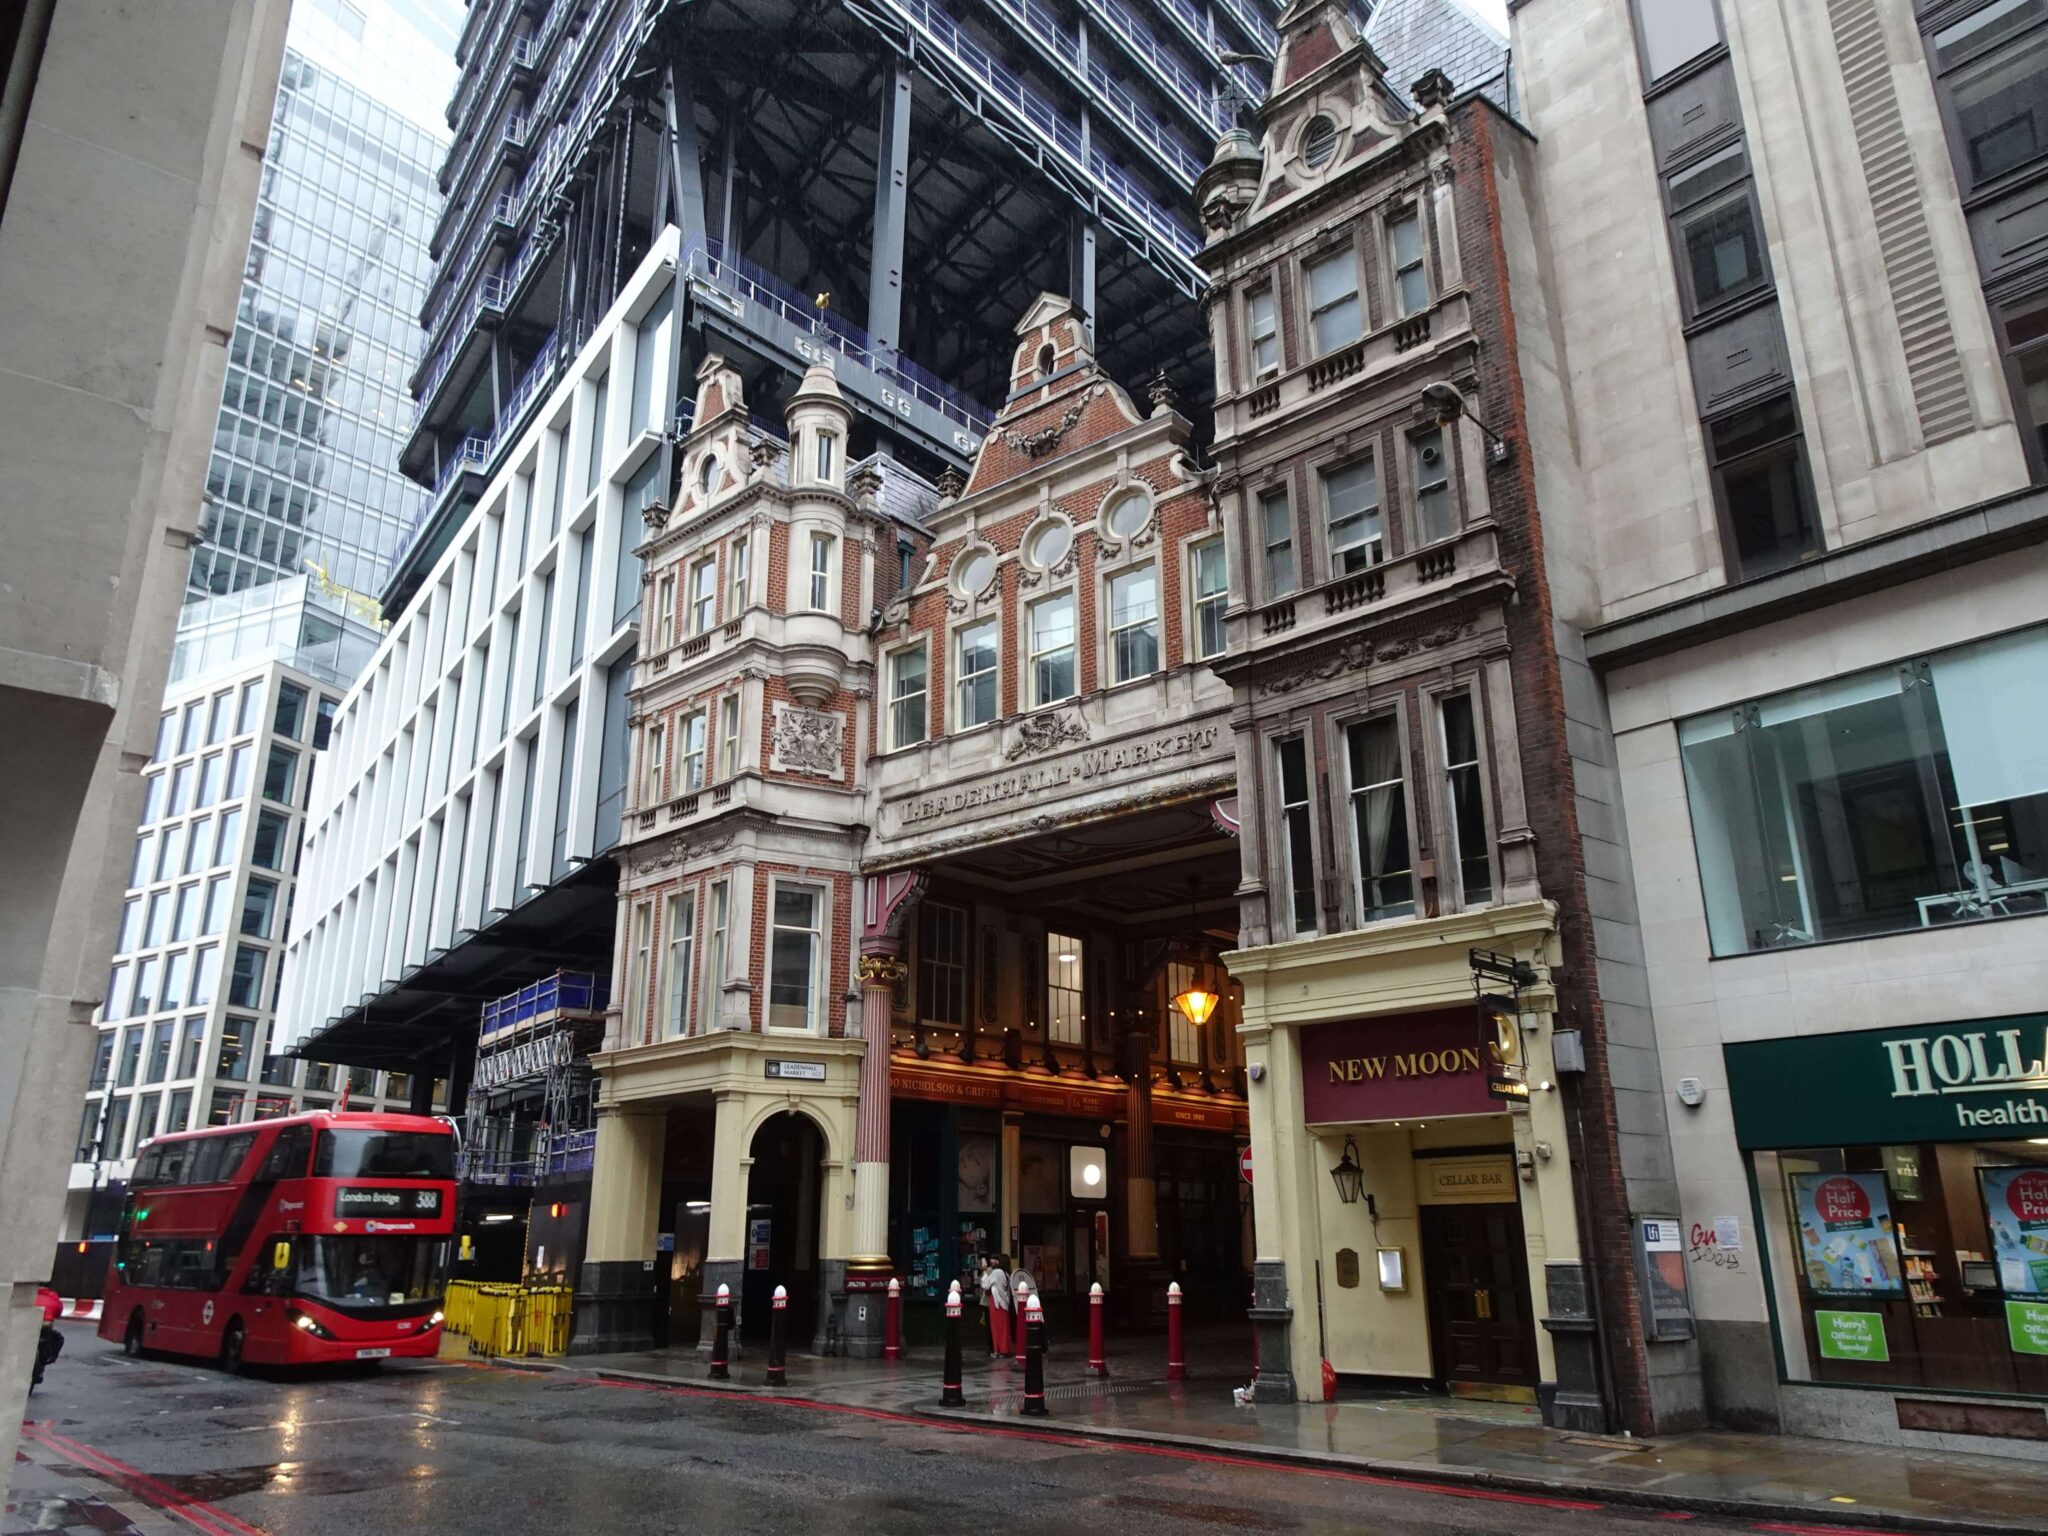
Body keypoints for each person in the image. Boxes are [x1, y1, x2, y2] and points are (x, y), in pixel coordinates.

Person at [978, 1253, 1011, 1358]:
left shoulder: (996, 1272)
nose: (995, 1261)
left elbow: (986, 1285)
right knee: (1004, 1328)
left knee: (995, 1327)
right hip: (1004, 1304)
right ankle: (1004, 1349)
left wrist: (984, 1270)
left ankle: (997, 1350)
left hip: (996, 1302)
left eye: (998, 1260)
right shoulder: (1006, 1273)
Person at [31, 1283, 63, 1389]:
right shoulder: (53, 1296)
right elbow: (58, 1312)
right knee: (57, 1339)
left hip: (29, 1323)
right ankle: (50, 1356)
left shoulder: (30, 1294)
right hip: (46, 1325)